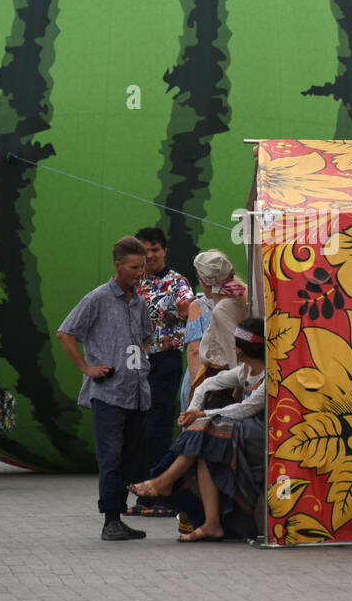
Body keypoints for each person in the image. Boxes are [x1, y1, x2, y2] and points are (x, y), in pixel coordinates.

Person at [128, 317, 267, 542]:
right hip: (244, 426)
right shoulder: (244, 372)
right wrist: (192, 410)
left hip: (261, 433)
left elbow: (245, 409)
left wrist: (201, 415)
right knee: (205, 446)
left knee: (208, 427)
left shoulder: (268, 377)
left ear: (244, 348)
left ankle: (163, 482)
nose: (233, 347)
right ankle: (212, 523)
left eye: (236, 343)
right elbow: (206, 385)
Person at [56, 236, 153, 542]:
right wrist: (87, 368)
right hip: (108, 394)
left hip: (137, 392)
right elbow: (66, 332)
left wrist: (141, 360)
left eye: (143, 266)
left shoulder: (139, 302)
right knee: (110, 457)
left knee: (129, 458)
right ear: (118, 266)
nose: (140, 272)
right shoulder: (97, 298)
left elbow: (146, 336)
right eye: (135, 267)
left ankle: (119, 516)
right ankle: (110, 520)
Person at [130, 227, 194, 518]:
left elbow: (187, 310)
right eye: (145, 250)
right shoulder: (132, 281)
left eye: (155, 249)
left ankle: (165, 497)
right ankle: (143, 496)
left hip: (164, 360)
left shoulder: (177, 282)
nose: (151, 255)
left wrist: (173, 311)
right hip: (133, 363)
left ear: (164, 250)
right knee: (137, 429)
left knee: (158, 427)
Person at [190, 250, 249, 389]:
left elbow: (235, 354)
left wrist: (238, 395)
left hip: (224, 386)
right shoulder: (237, 299)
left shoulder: (222, 310)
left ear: (204, 282)